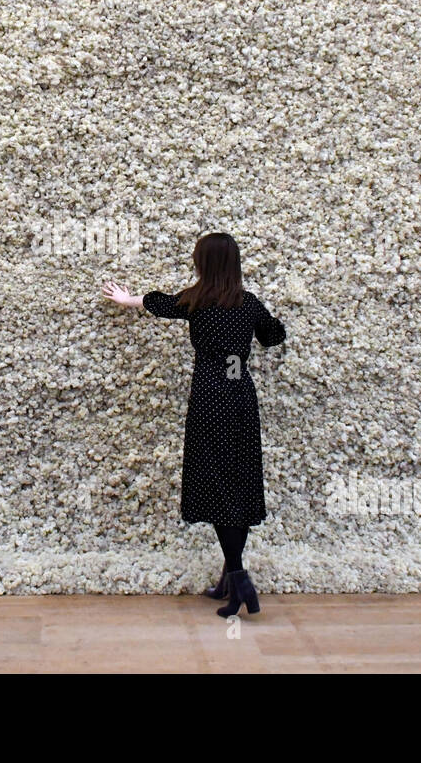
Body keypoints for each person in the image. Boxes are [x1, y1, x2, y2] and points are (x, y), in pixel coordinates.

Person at [102, 232, 286, 618]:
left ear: (204, 264)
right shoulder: (248, 303)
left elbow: (158, 303)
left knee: (218, 486)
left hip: (208, 398)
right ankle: (229, 578)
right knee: (236, 482)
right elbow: (273, 337)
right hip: (240, 396)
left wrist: (127, 299)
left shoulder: (197, 302)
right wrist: (273, 318)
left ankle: (238, 578)